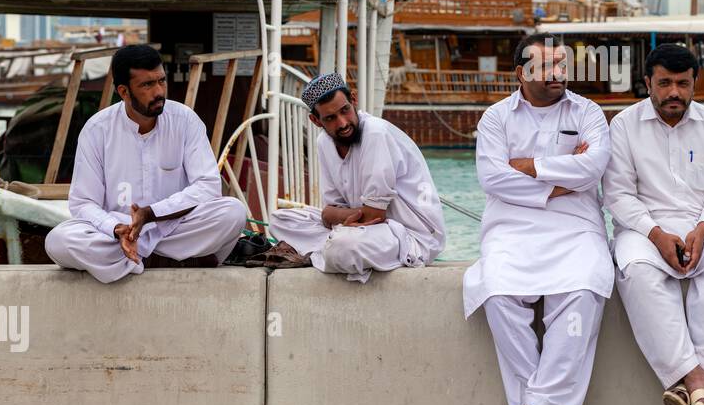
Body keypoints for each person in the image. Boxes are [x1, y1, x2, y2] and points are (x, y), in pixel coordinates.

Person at [463, 33, 613, 405]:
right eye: (546, 66)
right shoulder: (495, 119)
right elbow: (492, 177)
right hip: (511, 225)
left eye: (561, 65)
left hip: (575, 224)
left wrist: (529, 166)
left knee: (585, 288)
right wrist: (560, 180)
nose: (557, 74)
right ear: (520, 72)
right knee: (496, 291)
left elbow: (594, 167)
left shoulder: (589, 112)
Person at [603, 43, 704, 405]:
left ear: (693, 84)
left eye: (682, 84)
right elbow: (618, 194)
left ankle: (695, 385)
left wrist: (703, 229)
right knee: (637, 273)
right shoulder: (622, 126)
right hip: (645, 227)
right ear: (648, 83)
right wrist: (656, 235)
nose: (674, 92)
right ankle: (694, 382)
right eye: (665, 83)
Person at [44, 45, 246, 283]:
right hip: (118, 234)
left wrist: (151, 214)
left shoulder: (185, 121)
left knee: (233, 212)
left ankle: (135, 259)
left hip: (173, 228)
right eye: (147, 85)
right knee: (58, 241)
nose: (159, 91)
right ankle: (163, 258)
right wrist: (116, 228)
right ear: (124, 91)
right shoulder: (97, 130)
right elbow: (84, 202)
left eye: (161, 81)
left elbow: (207, 187)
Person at [268, 72, 445, 280]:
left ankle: (320, 253)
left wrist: (334, 217)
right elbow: (331, 211)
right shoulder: (324, 143)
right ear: (315, 121)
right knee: (279, 220)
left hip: (408, 236)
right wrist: (333, 216)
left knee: (344, 245)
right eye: (330, 118)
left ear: (353, 99)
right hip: (362, 230)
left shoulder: (375, 133)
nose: (342, 123)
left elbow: (373, 216)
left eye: (345, 111)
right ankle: (330, 251)